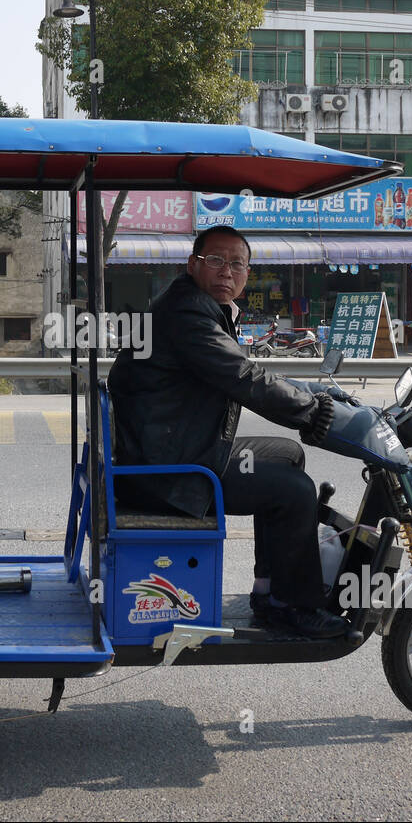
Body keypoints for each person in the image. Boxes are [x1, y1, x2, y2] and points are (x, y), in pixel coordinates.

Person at [107, 227, 355, 640]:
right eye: (216, 261)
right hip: (168, 472)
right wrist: (314, 413)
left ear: (247, 273)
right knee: (294, 491)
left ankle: (270, 589)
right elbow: (243, 377)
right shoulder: (187, 314)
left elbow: (247, 373)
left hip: (172, 447)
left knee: (287, 456)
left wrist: (315, 393)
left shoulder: (198, 306)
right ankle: (295, 606)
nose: (227, 271)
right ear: (193, 265)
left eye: (237, 263)